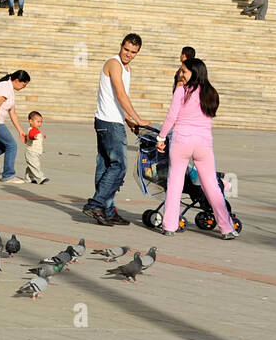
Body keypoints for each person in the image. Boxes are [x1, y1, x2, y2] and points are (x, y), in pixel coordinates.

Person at [155, 58, 238, 239]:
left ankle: (169, 225)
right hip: (204, 145)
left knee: (175, 184)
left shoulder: (182, 91)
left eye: (184, 71)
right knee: (213, 187)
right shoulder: (211, 93)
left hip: (181, 142)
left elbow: (171, 116)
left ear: (195, 72)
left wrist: (161, 137)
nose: (180, 74)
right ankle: (227, 228)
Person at [83, 33, 145, 227]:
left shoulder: (127, 68)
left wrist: (129, 121)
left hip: (108, 121)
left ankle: (108, 210)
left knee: (105, 166)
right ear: (121, 46)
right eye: (126, 49)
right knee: (119, 167)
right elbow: (120, 94)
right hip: (109, 124)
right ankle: (96, 204)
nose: (129, 54)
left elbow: (114, 101)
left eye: (133, 52)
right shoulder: (114, 63)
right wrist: (138, 118)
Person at [23, 110, 49, 184]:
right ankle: (41, 177)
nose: (40, 124)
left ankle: (28, 178)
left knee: (31, 165)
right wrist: (33, 137)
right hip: (31, 152)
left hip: (36, 152)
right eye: (38, 122)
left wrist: (42, 136)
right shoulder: (32, 130)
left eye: (41, 122)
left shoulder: (37, 130)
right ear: (31, 121)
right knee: (35, 165)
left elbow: (37, 136)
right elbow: (31, 135)